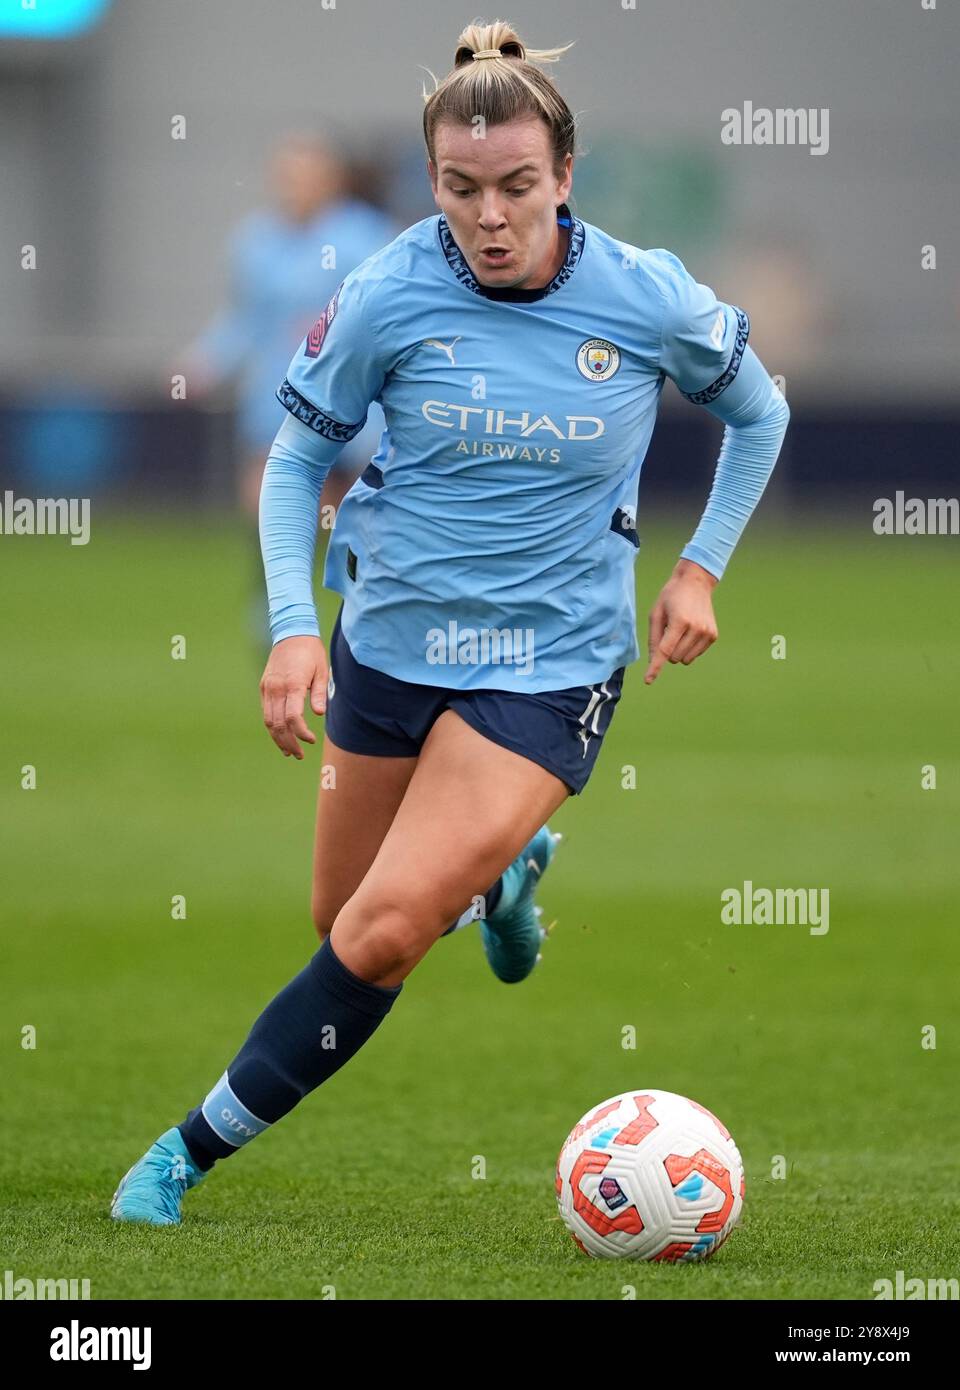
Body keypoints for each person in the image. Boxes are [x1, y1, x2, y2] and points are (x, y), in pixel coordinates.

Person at [112, 19, 789, 1225]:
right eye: (464, 188)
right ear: (432, 183)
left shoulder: (645, 295)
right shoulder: (385, 290)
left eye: (518, 187)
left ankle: (182, 1155)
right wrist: (292, 625)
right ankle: (502, 876)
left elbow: (761, 412)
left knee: (376, 936)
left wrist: (700, 569)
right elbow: (291, 463)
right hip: (387, 642)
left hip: (549, 664)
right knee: (344, 918)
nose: (490, 215)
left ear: (565, 178)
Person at [183, 132, 396, 518]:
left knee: (344, 512)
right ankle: (272, 577)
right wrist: (205, 362)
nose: (296, 187)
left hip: (348, 388)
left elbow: (384, 315)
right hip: (275, 388)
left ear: (333, 180)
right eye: (289, 176)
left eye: (308, 176)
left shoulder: (366, 237)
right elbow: (244, 318)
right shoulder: (256, 241)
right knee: (268, 500)